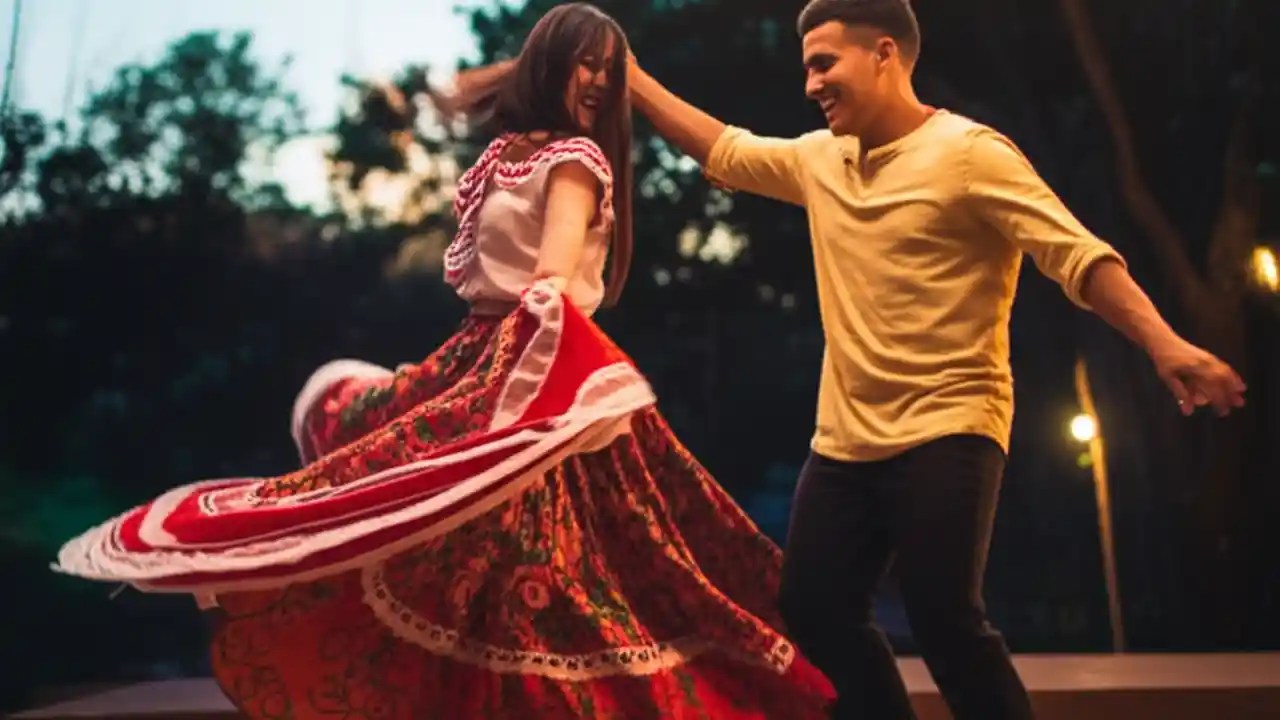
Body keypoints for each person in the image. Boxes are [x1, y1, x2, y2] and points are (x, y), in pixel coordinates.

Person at [53, 5, 833, 719]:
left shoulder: (576, 161)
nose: (598, 82)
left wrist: (543, 312)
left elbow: (555, 273)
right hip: (479, 356)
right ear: (550, 65)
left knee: (537, 580)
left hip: (542, 368)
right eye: (584, 65)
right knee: (445, 551)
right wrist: (508, 68)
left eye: (609, 70)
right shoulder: (506, 153)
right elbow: (479, 89)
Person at [626, 0, 1247, 718]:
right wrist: (633, 79)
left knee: (944, 619)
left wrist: (1165, 342)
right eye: (806, 69)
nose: (810, 85)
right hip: (846, 442)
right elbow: (724, 149)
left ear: (885, 53)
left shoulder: (970, 154)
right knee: (815, 607)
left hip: (950, 426)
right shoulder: (821, 161)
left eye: (824, 64)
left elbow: (1074, 254)